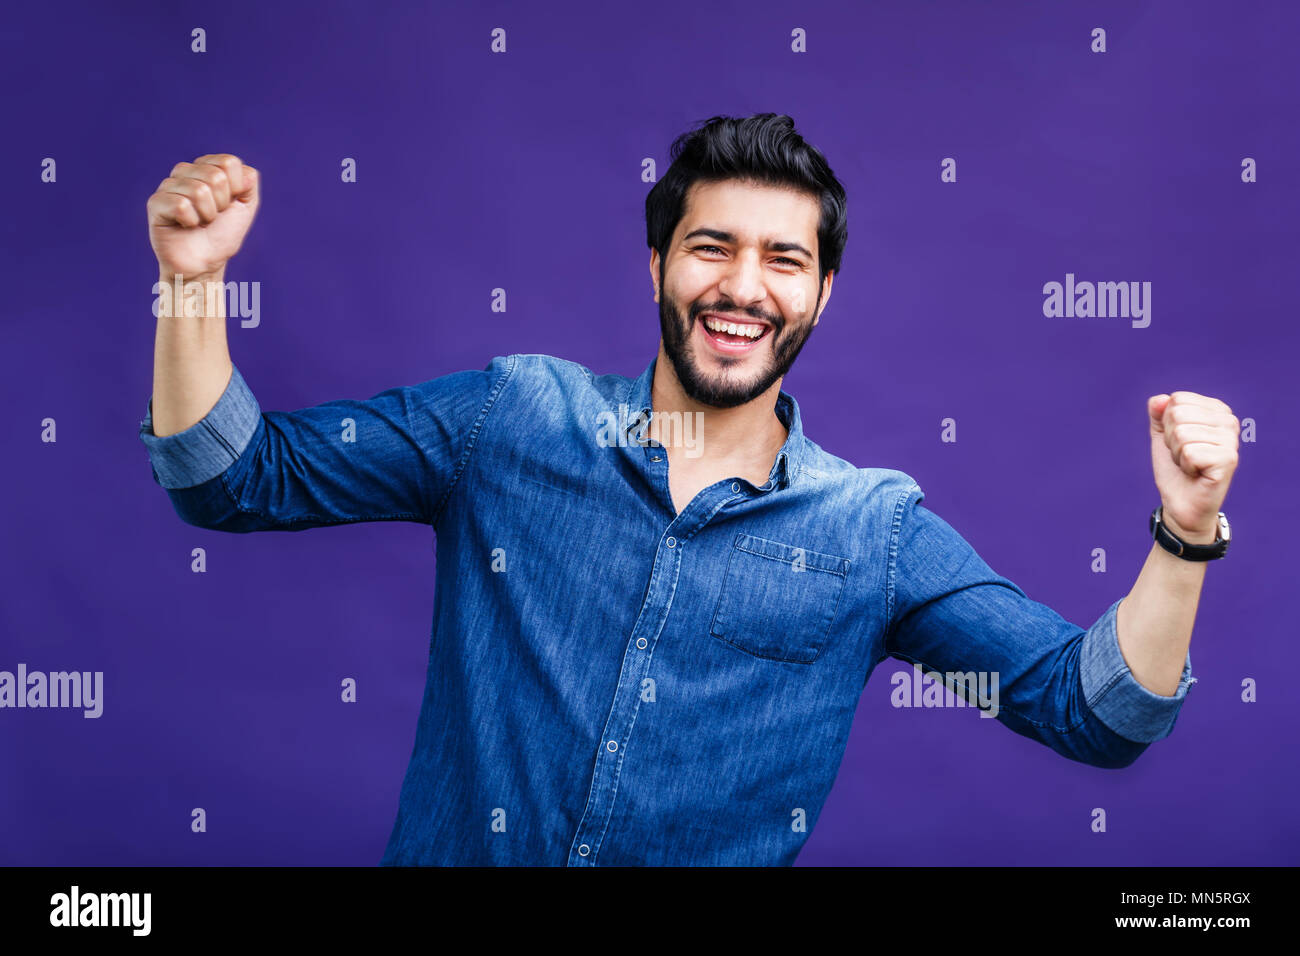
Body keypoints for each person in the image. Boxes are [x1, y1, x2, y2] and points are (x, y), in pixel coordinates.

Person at [139, 113, 1238, 866]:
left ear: (822, 294)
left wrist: (1183, 536)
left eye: (784, 259)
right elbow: (233, 477)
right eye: (711, 247)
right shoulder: (512, 417)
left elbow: (1094, 712)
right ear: (656, 264)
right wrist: (190, 288)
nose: (743, 288)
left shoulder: (875, 531)